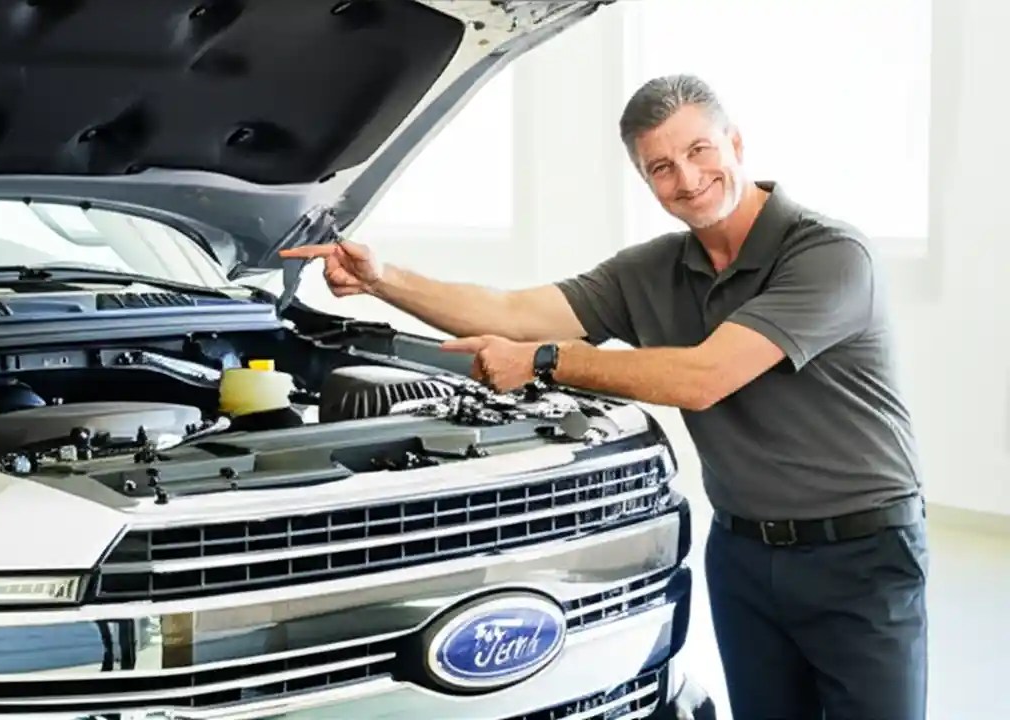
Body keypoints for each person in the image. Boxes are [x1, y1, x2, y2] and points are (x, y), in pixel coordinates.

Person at [280, 74, 928, 720]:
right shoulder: (653, 270)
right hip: (741, 556)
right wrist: (383, 280)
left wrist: (545, 362)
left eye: (700, 151)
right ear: (648, 182)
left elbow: (703, 378)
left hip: (861, 558)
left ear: (734, 142)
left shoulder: (828, 255)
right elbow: (512, 311)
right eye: (662, 168)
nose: (688, 179)